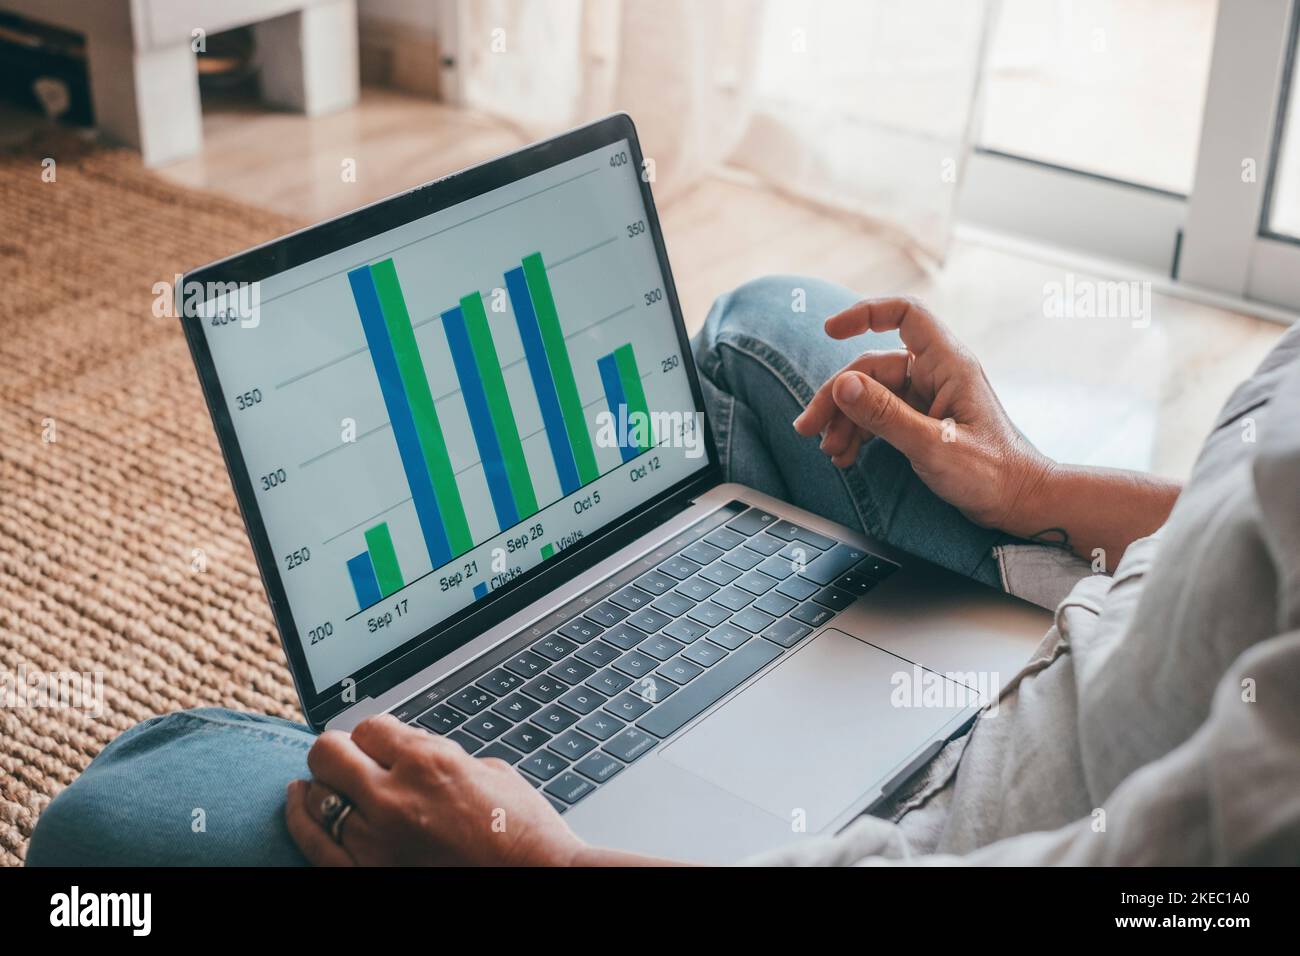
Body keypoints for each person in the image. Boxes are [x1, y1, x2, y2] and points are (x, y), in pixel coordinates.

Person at [27, 277, 1300, 866]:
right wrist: (1034, 491)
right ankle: (667, 568)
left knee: (127, 811)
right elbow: (1254, 513)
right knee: (768, 325)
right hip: (1089, 634)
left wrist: (544, 863)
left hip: (957, 822)